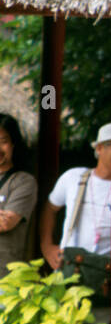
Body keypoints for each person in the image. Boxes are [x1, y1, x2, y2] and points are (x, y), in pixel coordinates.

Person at [40, 122, 111, 270]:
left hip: (106, 268)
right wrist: (47, 246)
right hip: (70, 264)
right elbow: (50, 208)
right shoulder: (74, 177)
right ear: (99, 148)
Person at [0, 114, 38, 270]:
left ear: (13, 144)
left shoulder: (23, 181)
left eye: (3, 142)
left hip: (5, 279)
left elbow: (5, 223)